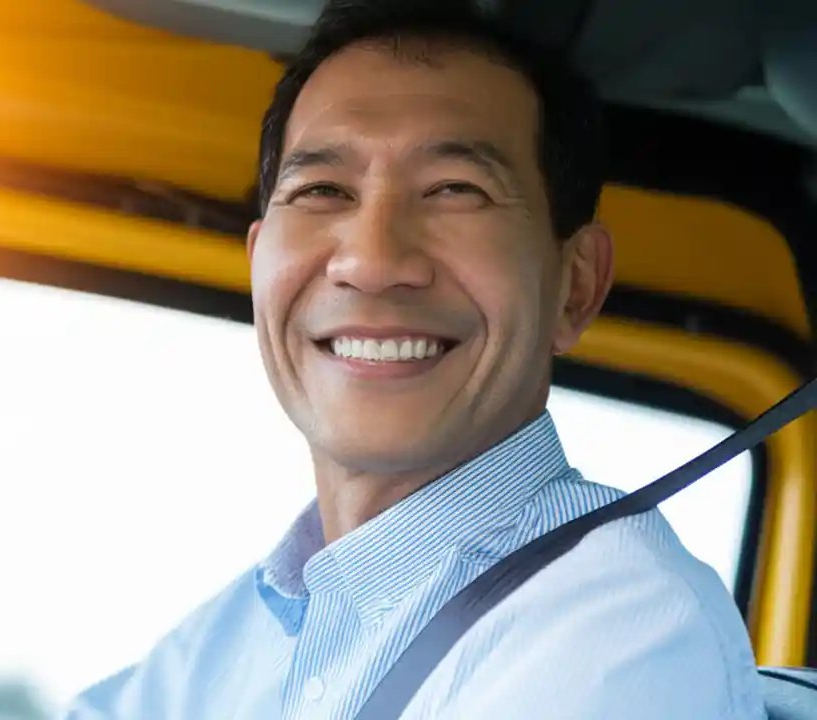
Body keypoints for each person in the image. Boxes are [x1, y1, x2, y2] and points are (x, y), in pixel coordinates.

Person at [65, 1, 765, 718]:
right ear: (257, 269)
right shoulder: (231, 640)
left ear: (575, 286)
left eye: (455, 190)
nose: (371, 260)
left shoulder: (617, 631)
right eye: (322, 190)